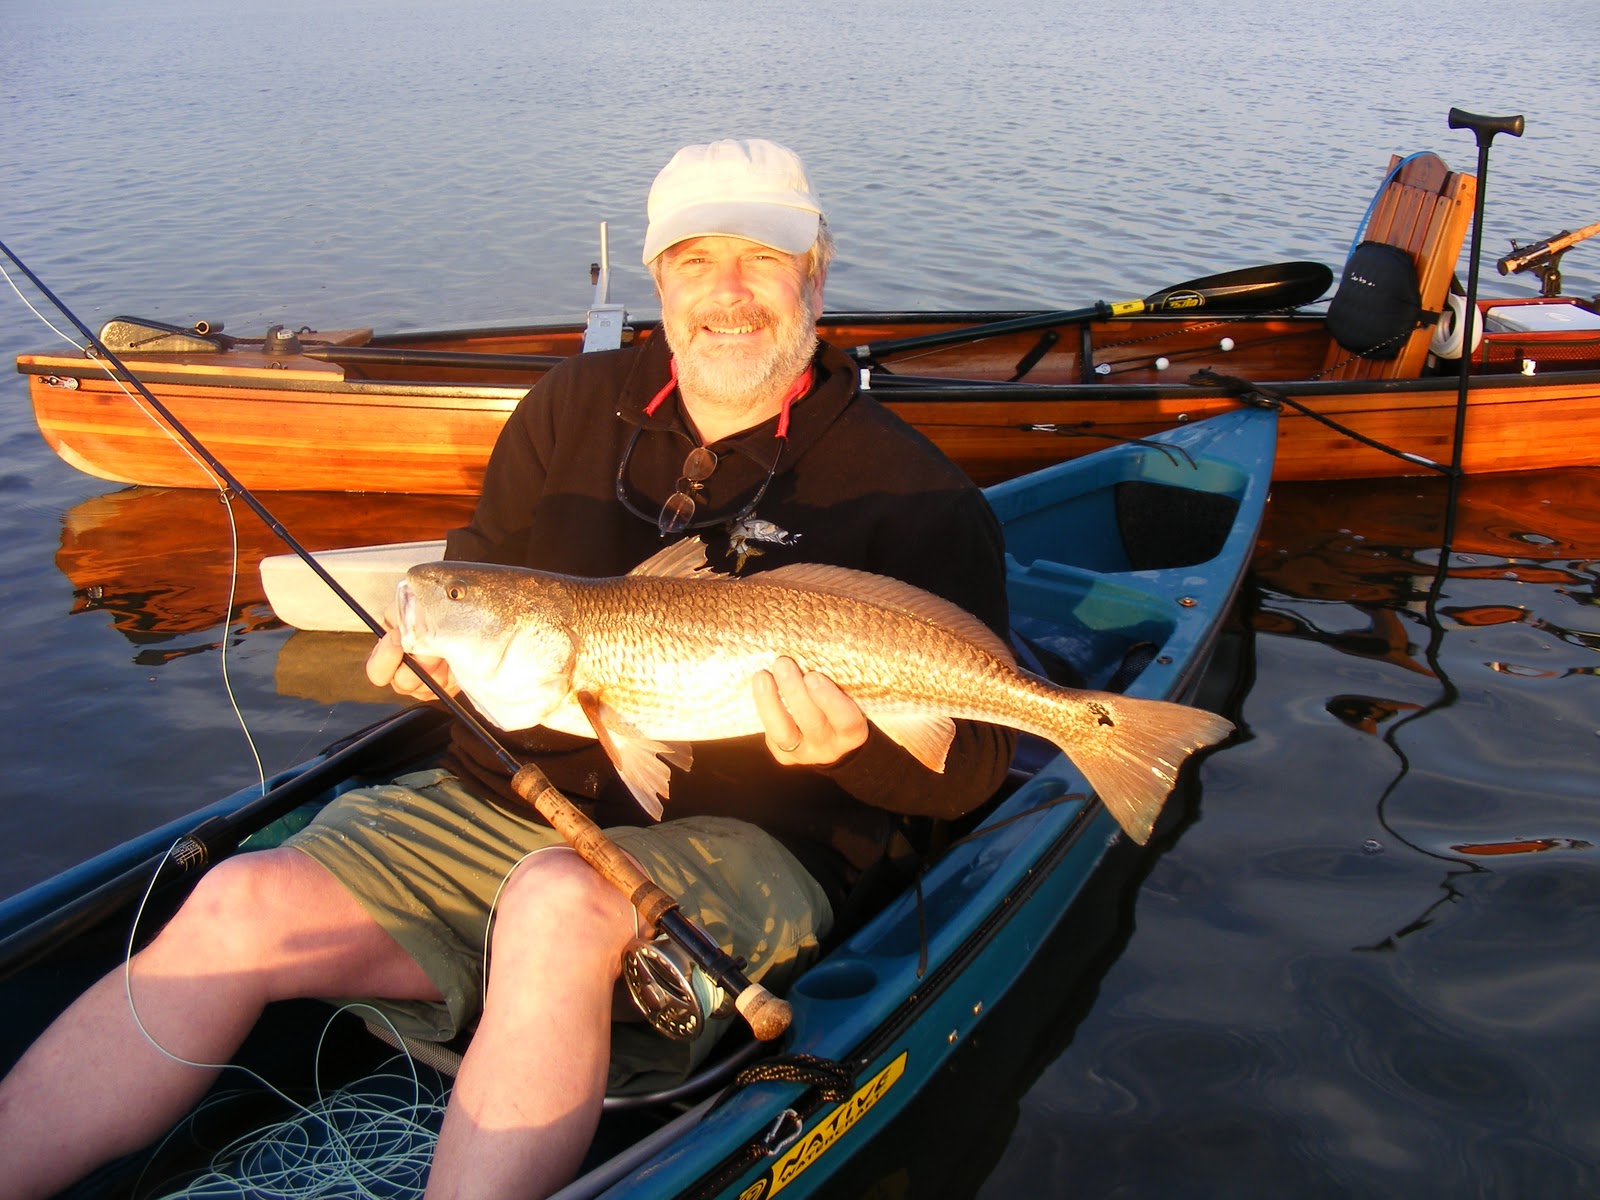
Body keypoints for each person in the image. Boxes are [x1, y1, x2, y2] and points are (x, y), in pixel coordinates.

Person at [0, 138, 1015, 1200]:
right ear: (657, 277)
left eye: (760, 257)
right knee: (237, 899)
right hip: (507, 792)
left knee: (553, 906)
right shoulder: (569, 407)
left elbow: (972, 774)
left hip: (769, 843)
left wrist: (853, 753)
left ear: (815, 270)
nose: (727, 292)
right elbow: (472, 590)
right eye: (692, 258)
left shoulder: (916, 493)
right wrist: (438, 669)